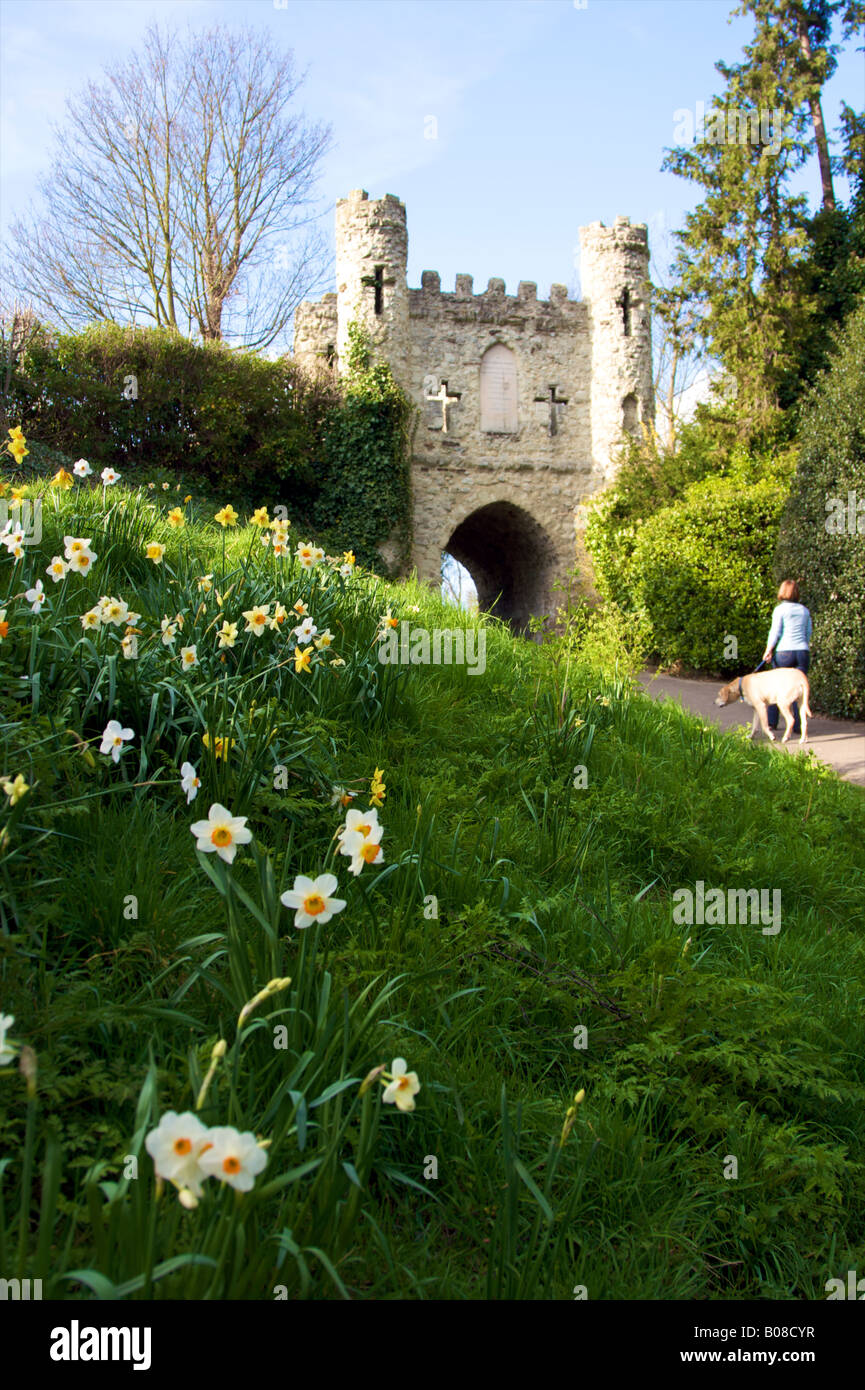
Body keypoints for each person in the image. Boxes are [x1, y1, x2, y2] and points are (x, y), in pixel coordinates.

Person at [762, 580, 812, 737]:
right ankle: (797, 725)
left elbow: (775, 632)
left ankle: (771, 722)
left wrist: (768, 650)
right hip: (802, 651)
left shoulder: (780, 610)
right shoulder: (804, 611)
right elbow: (808, 632)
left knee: (776, 687)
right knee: (799, 689)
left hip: (784, 652)